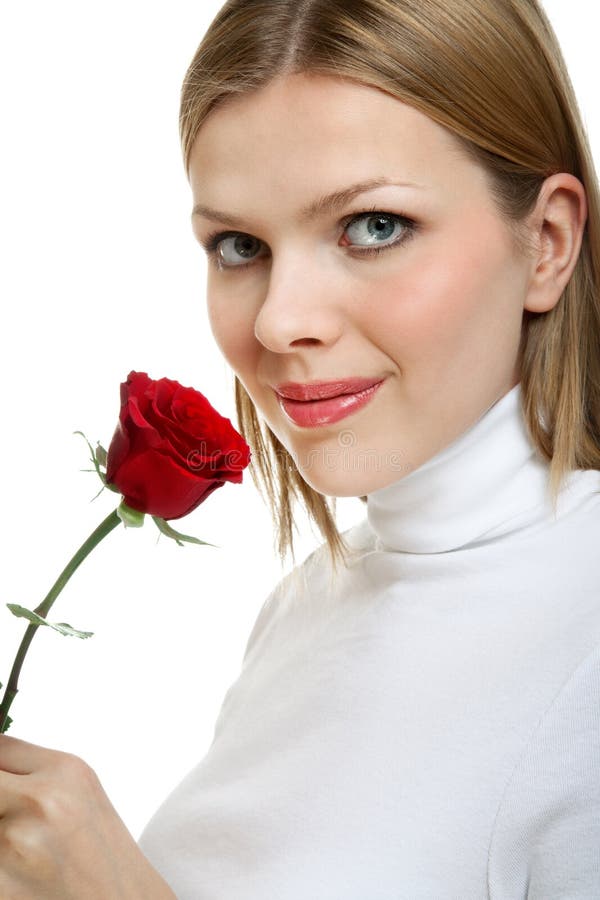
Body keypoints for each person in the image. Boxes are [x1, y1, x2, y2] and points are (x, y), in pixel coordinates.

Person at [1, 0, 599, 896]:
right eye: (238, 245)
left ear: (547, 243)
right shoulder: (308, 603)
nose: (280, 321)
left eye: (374, 226)